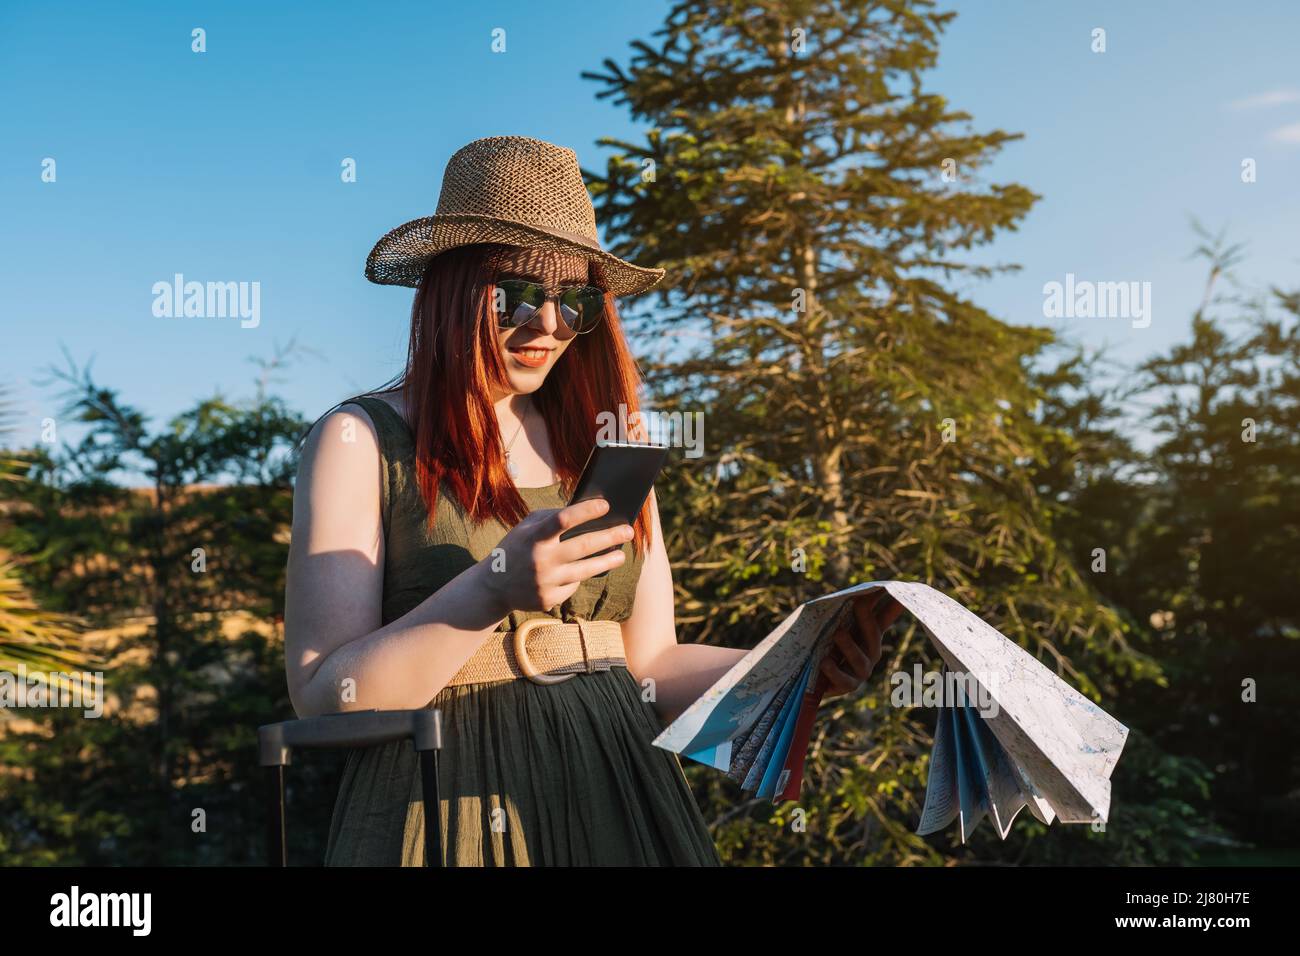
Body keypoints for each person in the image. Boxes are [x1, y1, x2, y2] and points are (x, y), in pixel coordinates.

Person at [283, 135, 898, 866]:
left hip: (624, 792)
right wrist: (488, 590)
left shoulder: (605, 446)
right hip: (450, 803)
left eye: (575, 302)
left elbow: (652, 664)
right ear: (450, 287)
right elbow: (324, 693)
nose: (548, 326)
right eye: (516, 294)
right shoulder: (359, 439)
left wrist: (796, 671)